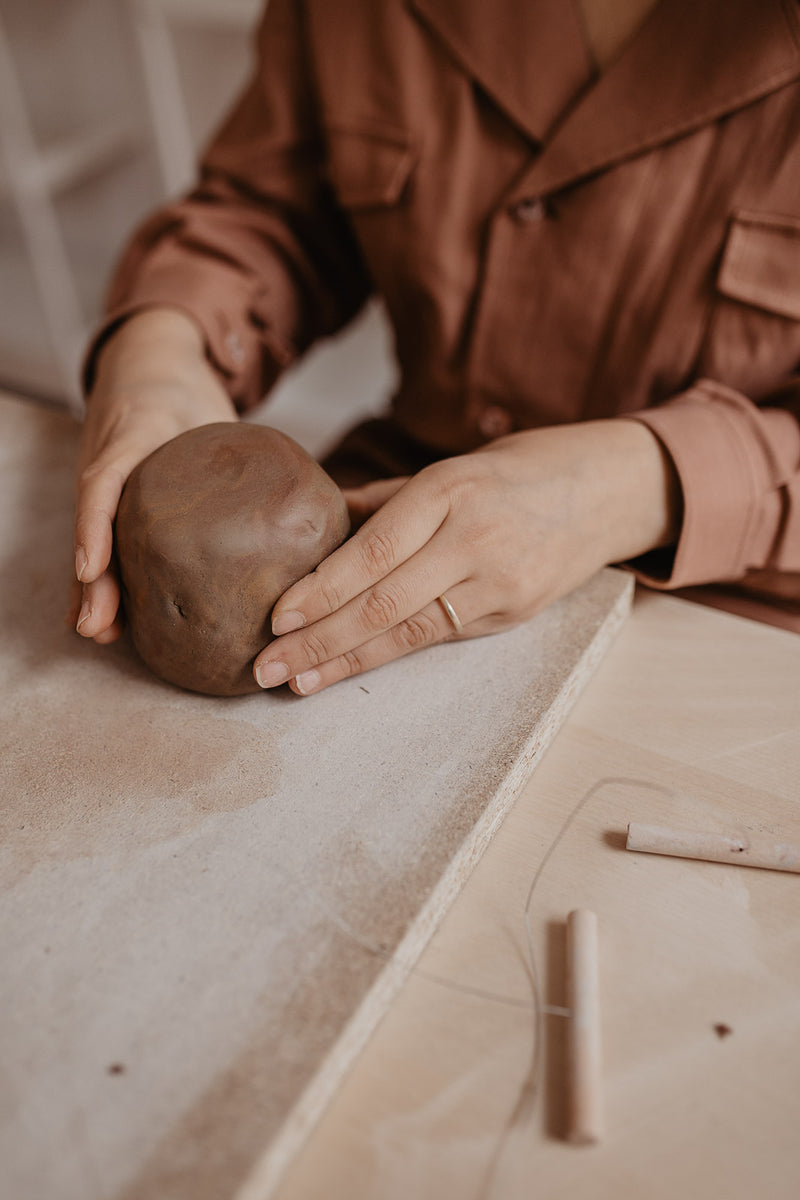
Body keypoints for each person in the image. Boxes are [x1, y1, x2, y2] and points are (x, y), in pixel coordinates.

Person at [72, 0, 800, 697]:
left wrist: (641, 485)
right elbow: (271, 209)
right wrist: (165, 349)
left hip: (726, 603)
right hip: (392, 512)